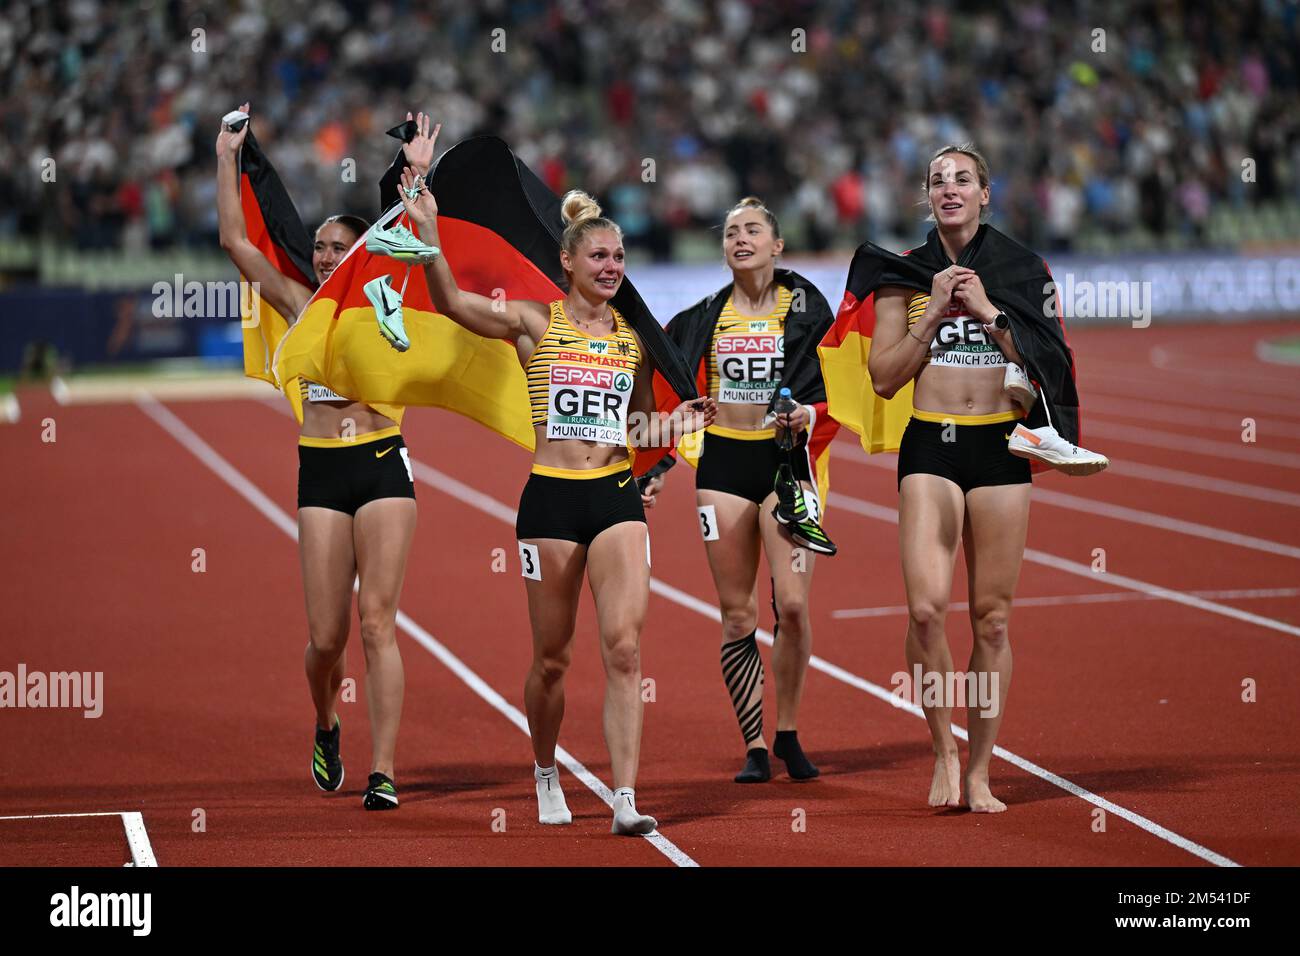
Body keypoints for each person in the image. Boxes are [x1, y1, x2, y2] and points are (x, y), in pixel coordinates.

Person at [383, 137, 715, 834]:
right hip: (551, 502)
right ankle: (544, 768)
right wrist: (429, 229)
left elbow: (637, 430)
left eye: (619, 258)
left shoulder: (631, 341)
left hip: (615, 498)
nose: (611, 267)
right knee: (553, 659)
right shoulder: (534, 321)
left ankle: (625, 798)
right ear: (567, 262)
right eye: (599, 257)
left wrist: (679, 422)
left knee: (624, 648)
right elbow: (451, 302)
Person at [866, 144, 1103, 813]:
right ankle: (943, 749)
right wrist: (935, 311)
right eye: (938, 181)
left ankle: (979, 771)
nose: (949, 189)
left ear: (985, 193)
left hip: (1000, 447)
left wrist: (991, 313)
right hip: (931, 445)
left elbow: (1048, 361)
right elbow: (883, 379)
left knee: (992, 621)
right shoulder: (902, 272)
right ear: (926, 197)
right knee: (924, 609)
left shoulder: (1021, 269)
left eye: (962, 180)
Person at [216, 104, 432, 811]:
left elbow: (412, 232)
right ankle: (326, 720)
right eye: (318, 247)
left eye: (339, 247)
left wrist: (417, 174)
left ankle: (385, 770)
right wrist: (227, 155)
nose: (326, 256)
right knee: (326, 638)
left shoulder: (386, 299)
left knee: (377, 622)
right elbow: (235, 241)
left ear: (361, 251)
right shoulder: (297, 304)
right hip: (321, 471)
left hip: (383, 463)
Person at [645, 197, 836, 783]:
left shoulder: (807, 312)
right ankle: (754, 744)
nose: (740, 239)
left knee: (793, 608)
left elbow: (837, 385)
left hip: (787, 467)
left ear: (777, 245)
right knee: (737, 616)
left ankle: (789, 732)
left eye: (753, 230)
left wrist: (809, 414)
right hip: (724, 466)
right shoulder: (704, 316)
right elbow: (664, 385)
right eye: (731, 233)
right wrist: (655, 464)